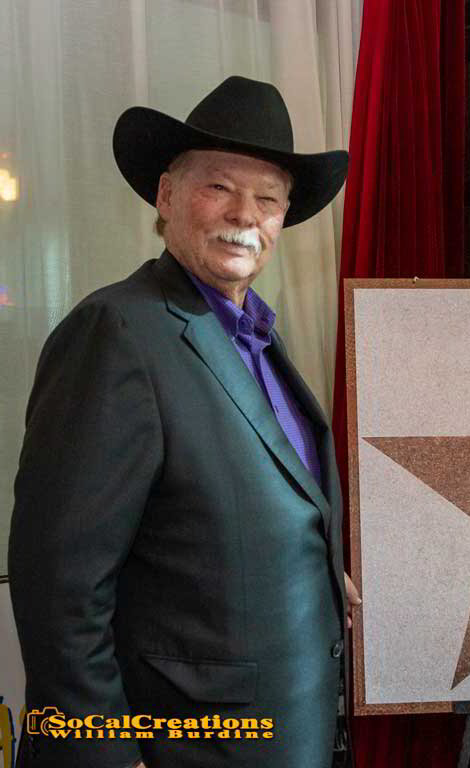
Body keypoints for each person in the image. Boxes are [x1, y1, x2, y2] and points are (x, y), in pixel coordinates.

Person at [9, 75, 360, 768]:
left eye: (267, 199)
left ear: (284, 219)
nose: (243, 215)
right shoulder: (117, 331)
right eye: (218, 188)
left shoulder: (253, 336)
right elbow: (61, 585)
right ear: (166, 198)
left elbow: (225, 513)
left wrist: (319, 569)